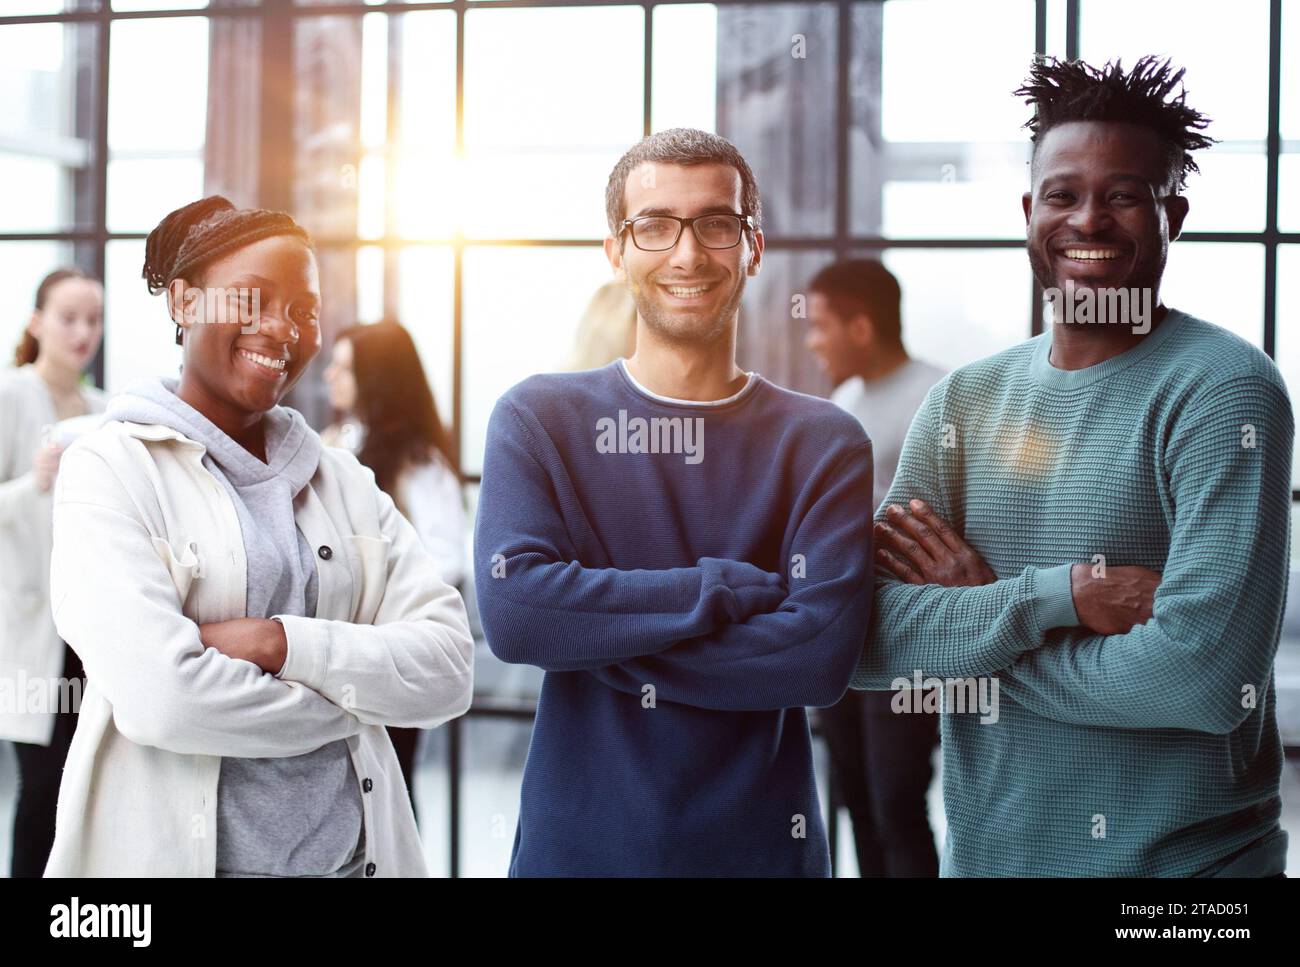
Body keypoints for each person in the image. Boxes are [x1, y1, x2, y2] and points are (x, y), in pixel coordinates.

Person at [857, 56, 1294, 877]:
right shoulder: (964, 402)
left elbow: (1198, 679)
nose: (1087, 219)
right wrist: (1058, 599)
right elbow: (871, 643)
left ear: (1175, 214)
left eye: (1123, 195)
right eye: (1063, 195)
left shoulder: (1225, 390)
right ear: (1031, 210)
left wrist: (980, 627)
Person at [474, 128, 875, 877]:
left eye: (715, 224)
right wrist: (715, 588)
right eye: (654, 225)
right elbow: (518, 615)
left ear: (752, 247)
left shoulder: (824, 442)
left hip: (761, 858)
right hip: (576, 857)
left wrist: (593, 632)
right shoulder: (538, 419)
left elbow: (816, 660)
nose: (687, 254)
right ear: (616, 252)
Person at [44, 196, 474, 877]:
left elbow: (449, 668)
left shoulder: (343, 479)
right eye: (252, 299)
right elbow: (165, 700)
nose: (283, 329)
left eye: (304, 310)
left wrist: (279, 641)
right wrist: (358, 698)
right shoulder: (110, 470)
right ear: (184, 303)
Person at [803, 258, 946, 876]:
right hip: (847, 638)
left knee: (897, 801)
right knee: (858, 801)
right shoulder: (845, 400)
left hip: (909, 644)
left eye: (820, 326)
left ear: (860, 327)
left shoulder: (937, 396)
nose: (812, 342)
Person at [322, 319, 468, 814]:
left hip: (390, 654)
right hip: (340, 656)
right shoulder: (335, 441)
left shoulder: (418, 460)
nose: (330, 377)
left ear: (375, 378)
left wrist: (377, 596)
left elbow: (446, 562)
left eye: (345, 368)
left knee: (389, 793)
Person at [0, 268, 107, 877]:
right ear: (37, 322)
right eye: (69, 318)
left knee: (87, 790)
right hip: (31, 629)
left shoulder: (104, 409)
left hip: (86, 630)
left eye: (93, 319)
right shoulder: (11, 396)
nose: (83, 332)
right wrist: (31, 483)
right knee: (40, 791)